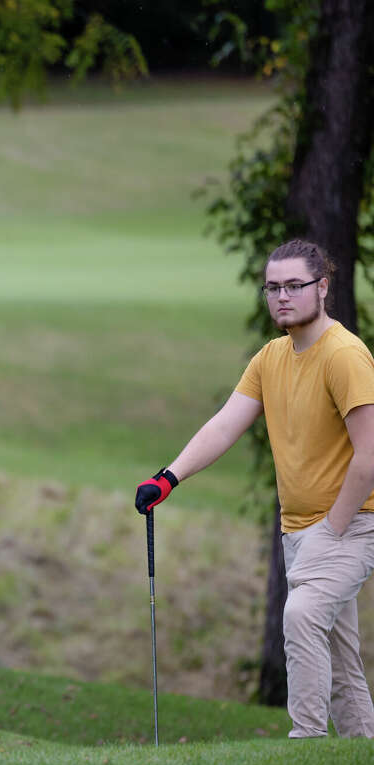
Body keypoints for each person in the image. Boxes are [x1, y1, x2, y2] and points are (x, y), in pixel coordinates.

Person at [136, 239, 374, 739]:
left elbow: (369, 458)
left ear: (323, 287)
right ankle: (360, 755)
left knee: (303, 616)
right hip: (299, 532)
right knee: (338, 657)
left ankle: (305, 744)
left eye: (294, 286)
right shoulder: (271, 358)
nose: (282, 296)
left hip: (351, 527)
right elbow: (225, 425)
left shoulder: (345, 355)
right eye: (273, 287)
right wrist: (168, 477)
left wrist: (330, 532)